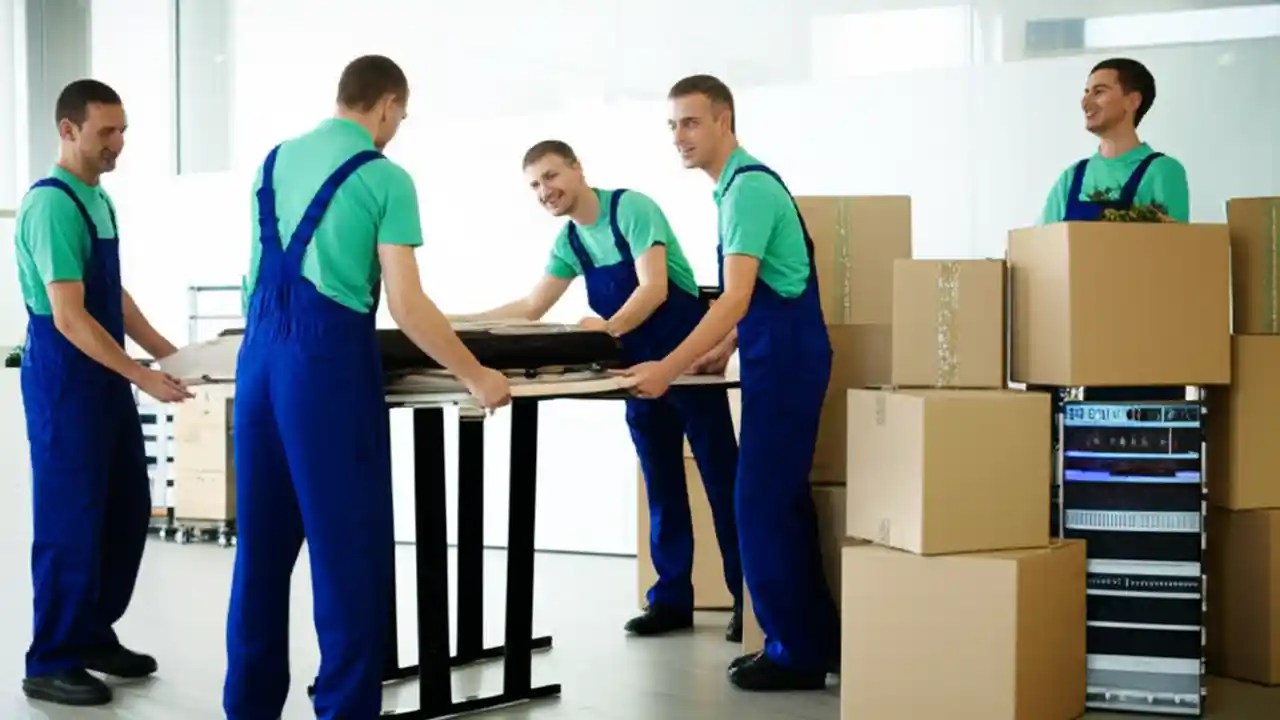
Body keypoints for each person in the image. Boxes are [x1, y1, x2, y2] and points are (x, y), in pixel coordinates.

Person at [223, 55, 511, 719]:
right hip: (324, 370)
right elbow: (407, 306)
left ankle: (247, 710)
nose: (396, 128)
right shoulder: (386, 178)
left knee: (261, 558)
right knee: (347, 552)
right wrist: (478, 375)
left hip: (259, 361)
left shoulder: (271, 163)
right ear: (386, 106)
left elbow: (253, 279)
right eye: (400, 117)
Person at [455, 140, 744, 640]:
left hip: (688, 364)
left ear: (577, 169)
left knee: (722, 483)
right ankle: (671, 600)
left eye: (550, 176)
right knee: (661, 487)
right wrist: (453, 325)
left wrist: (605, 328)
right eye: (534, 185)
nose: (544, 191)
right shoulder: (572, 242)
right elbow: (530, 307)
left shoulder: (630, 209)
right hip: (636, 377)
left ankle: (747, 600)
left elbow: (653, 289)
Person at [624, 74, 837, 691]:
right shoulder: (738, 189)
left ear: (724, 120)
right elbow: (775, 283)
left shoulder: (746, 191)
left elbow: (736, 297)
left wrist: (667, 368)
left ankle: (793, 654)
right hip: (779, 353)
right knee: (784, 503)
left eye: (690, 122)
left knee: (758, 503)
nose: (679, 137)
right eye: (672, 126)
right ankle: (811, 640)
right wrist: (722, 350)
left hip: (788, 359)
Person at [14, 79, 192, 707]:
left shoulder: (98, 200)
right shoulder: (52, 206)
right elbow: (69, 315)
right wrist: (140, 373)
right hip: (67, 381)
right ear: (68, 130)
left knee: (122, 510)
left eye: (123, 131)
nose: (118, 144)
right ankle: (51, 657)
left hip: (106, 374)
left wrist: (167, 351)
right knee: (70, 520)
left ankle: (90, 635)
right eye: (105, 132)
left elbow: (111, 295)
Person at [1039, 57, 1189, 225]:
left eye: (1099, 92)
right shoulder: (1071, 177)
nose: (1085, 102)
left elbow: (1175, 246)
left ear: (1132, 101)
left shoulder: (1162, 171)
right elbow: (1043, 244)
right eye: (1086, 92)